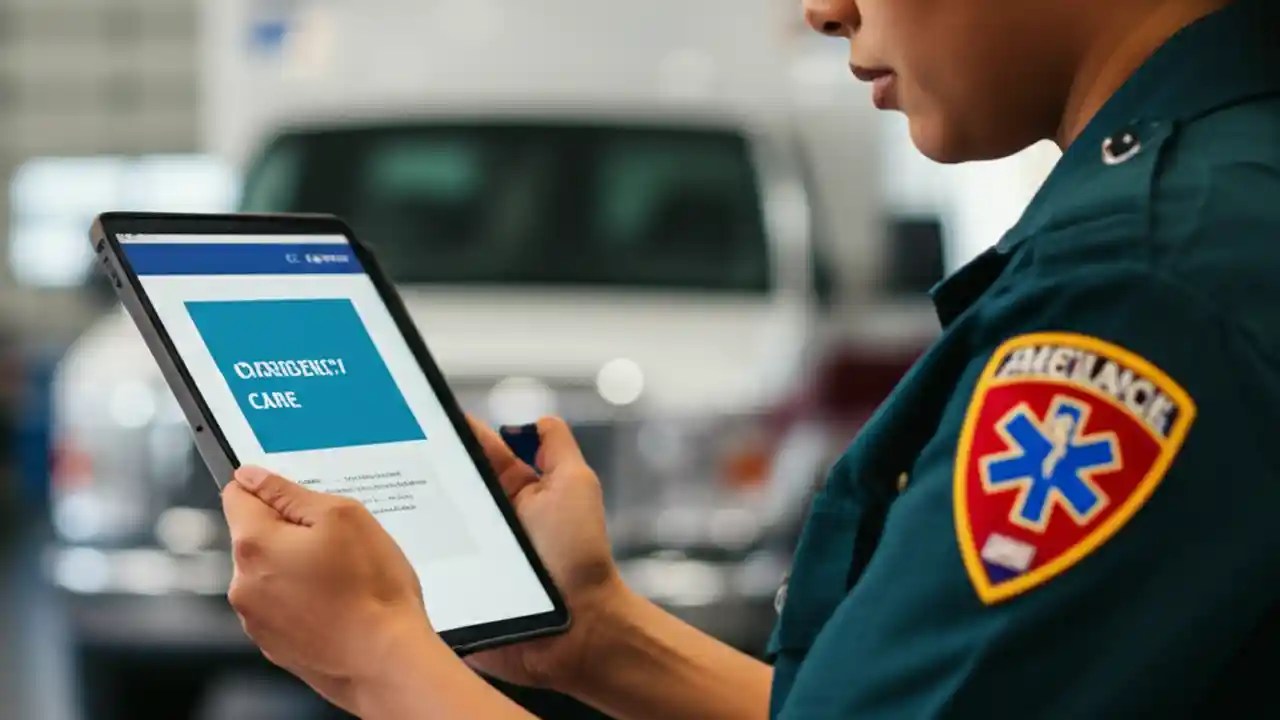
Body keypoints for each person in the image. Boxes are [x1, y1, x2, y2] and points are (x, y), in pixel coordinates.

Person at [219, 0, 1280, 716]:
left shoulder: (1143, 283)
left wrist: (381, 661)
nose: (818, 7)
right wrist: (600, 639)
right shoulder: (1217, 194)